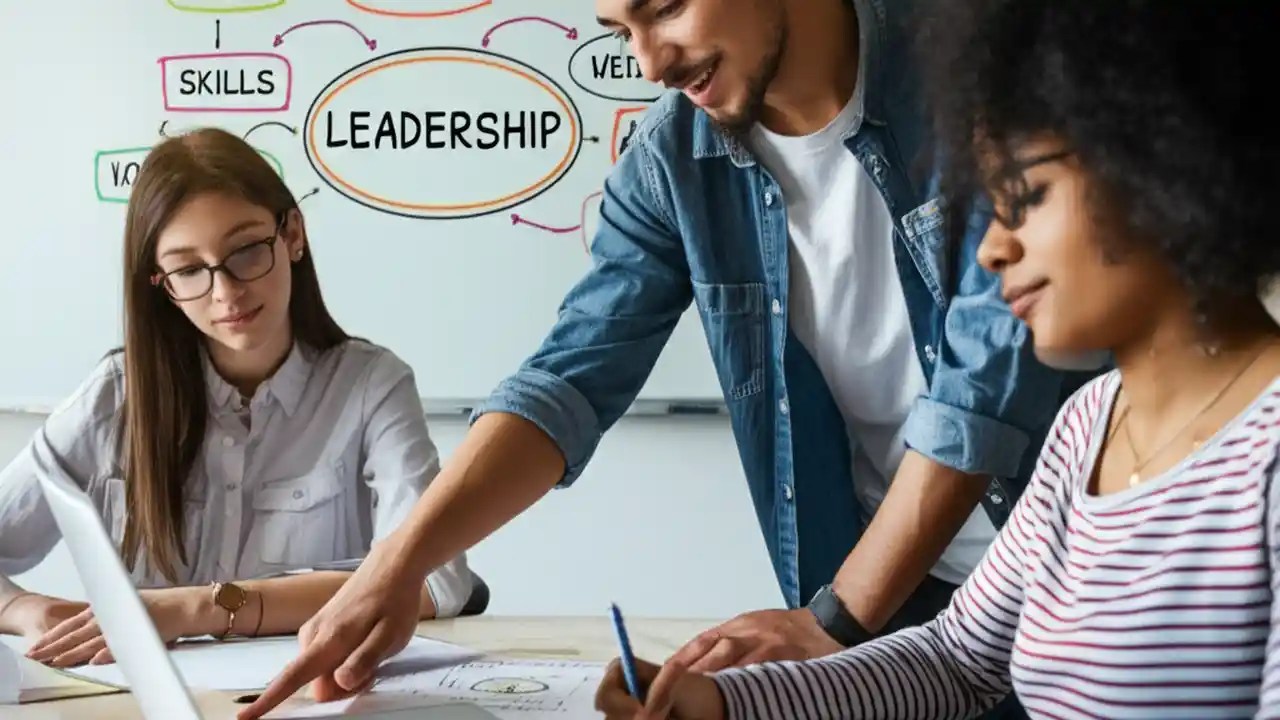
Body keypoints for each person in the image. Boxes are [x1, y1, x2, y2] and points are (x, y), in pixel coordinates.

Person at [239, 0, 1084, 715]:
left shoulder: (976, 73)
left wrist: (834, 619)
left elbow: (980, 386)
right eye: (621, 32)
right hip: (900, 622)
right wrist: (395, 568)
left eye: (667, 8)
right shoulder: (672, 158)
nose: (650, 62)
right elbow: (569, 377)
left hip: (1076, 587)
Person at [593, 0, 1280, 717]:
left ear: (1166, 167)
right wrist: (718, 704)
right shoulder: (1086, 428)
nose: (992, 249)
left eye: (1026, 197)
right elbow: (955, 659)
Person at [0, 128, 473, 667]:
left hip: (312, 695)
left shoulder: (371, 386)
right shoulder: (117, 395)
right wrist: (25, 608)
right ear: (163, 284)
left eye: (246, 251)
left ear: (292, 234)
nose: (226, 292)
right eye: (189, 270)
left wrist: (200, 608)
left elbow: (435, 580)